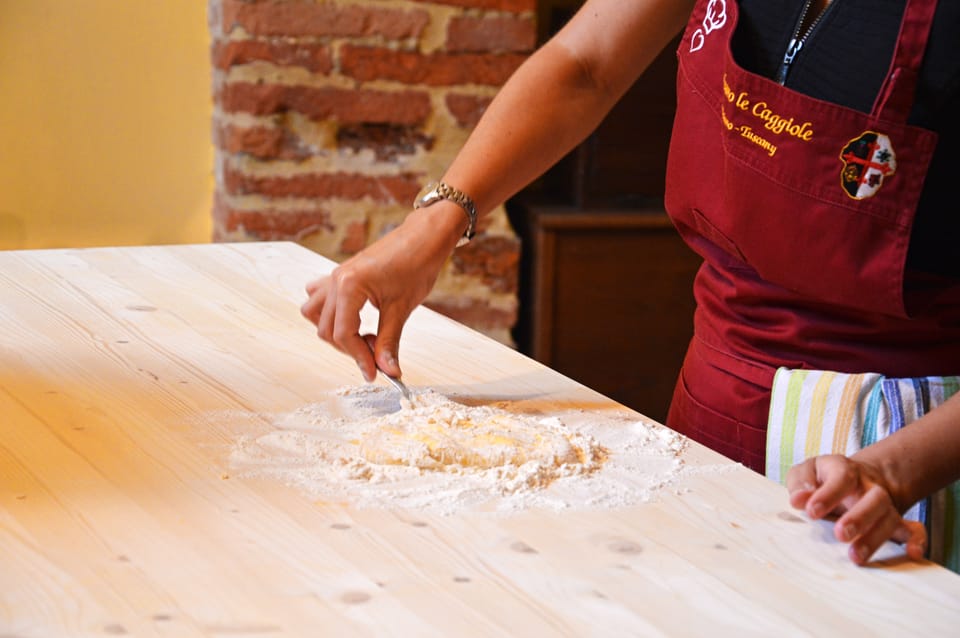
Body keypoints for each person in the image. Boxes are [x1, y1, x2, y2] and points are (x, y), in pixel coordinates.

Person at [301, 0, 960, 569]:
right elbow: (587, 63)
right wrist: (431, 228)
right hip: (717, 397)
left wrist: (895, 470)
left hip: (907, 456)